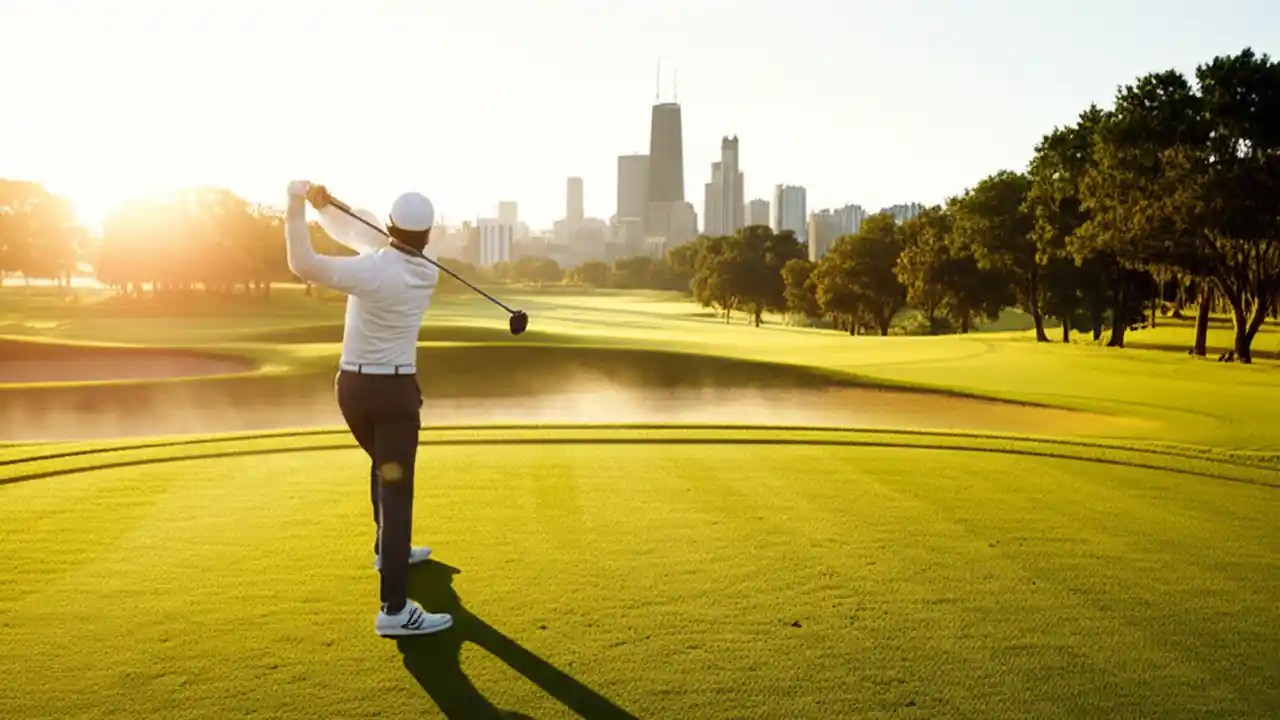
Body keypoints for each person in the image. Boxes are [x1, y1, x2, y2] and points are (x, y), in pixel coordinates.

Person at [285, 179, 452, 637]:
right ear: (429, 235)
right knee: (397, 495)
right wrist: (328, 209)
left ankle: (388, 551)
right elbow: (366, 233)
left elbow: (303, 262)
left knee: (384, 470)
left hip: (352, 391)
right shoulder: (428, 268)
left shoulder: (372, 270)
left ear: (392, 227)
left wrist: (297, 203)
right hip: (395, 396)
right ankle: (394, 610)